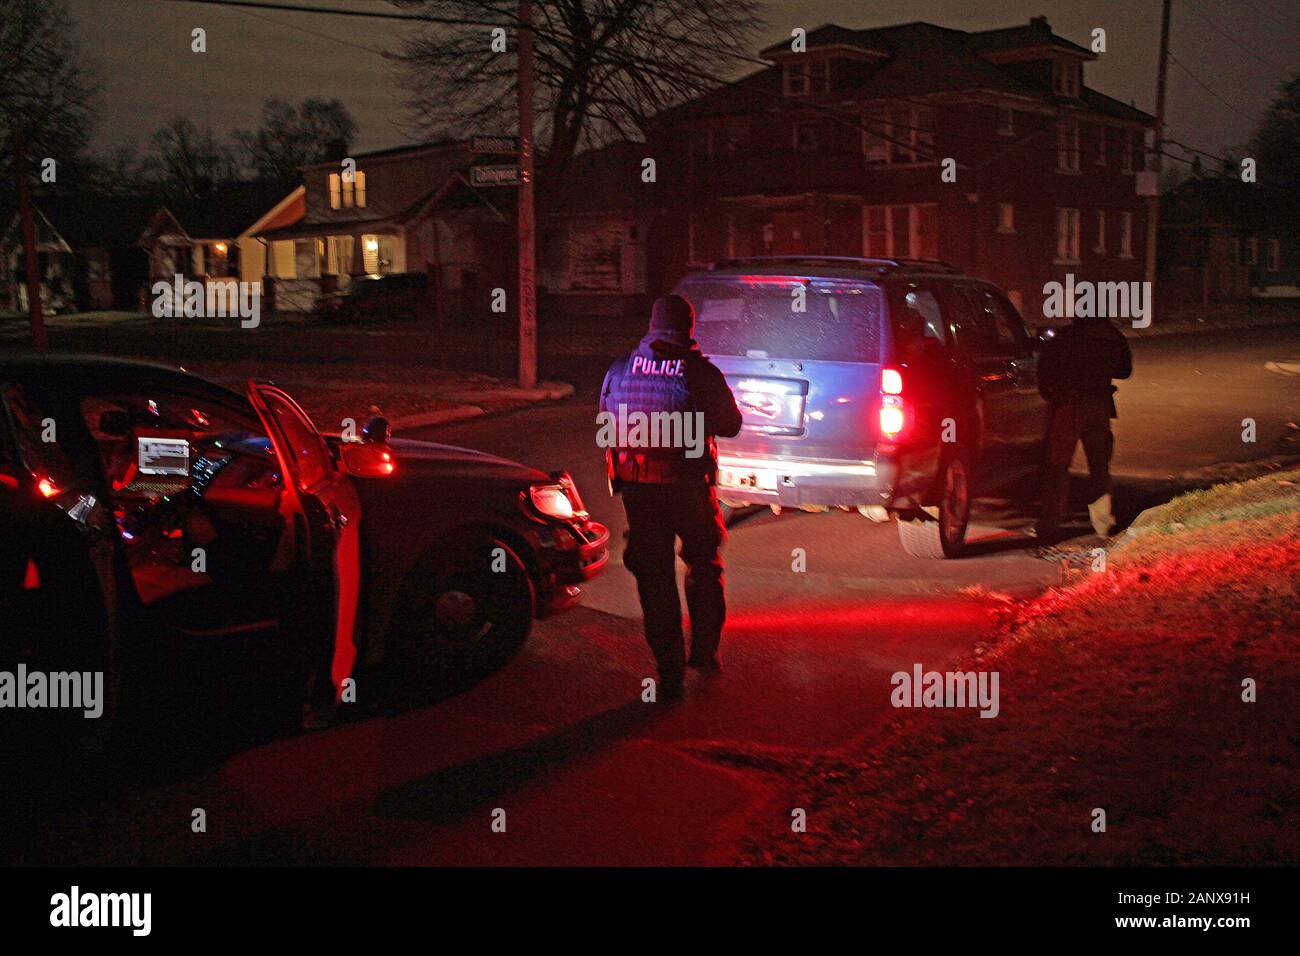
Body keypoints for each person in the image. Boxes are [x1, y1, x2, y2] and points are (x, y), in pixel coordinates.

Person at [600, 294, 743, 698]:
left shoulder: (620, 370)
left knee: (654, 578)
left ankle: (669, 670)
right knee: (703, 565)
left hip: (640, 493)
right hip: (689, 488)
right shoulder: (699, 373)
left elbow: (607, 429)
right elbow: (731, 425)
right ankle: (704, 654)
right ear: (688, 329)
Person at [1035, 313, 1133, 540]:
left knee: (1057, 468)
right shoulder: (1111, 336)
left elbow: (1045, 367)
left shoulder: (1066, 336)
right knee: (1099, 469)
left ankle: (1050, 524)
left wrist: (1051, 393)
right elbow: (1125, 370)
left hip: (1068, 407)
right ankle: (1103, 524)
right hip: (1098, 406)